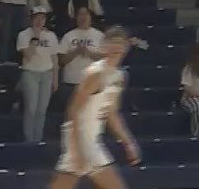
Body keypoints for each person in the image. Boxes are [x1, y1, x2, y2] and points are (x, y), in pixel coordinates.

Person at [51, 26, 140, 189]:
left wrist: (128, 142)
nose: (116, 47)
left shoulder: (119, 76)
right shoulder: (94, 73)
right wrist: (77, 149)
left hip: (92, 138)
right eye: (112, 42)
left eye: (120, 43)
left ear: (126, 47)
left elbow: (111, 113)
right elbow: (73, 111)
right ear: (104, 45)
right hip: (79, 136)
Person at [18, 6, 61, 143]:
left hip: (47, 73)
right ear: (32, 19)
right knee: (31, 108)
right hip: (30, 72)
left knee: (42, 109)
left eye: (42, 18)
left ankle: (38, 139)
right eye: (37, 17)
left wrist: (55, 79)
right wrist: (35, 38)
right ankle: (29, 139)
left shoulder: (51, 36)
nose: (39, 20)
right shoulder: (24, 35)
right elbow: (28, 55)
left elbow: (54, 58)